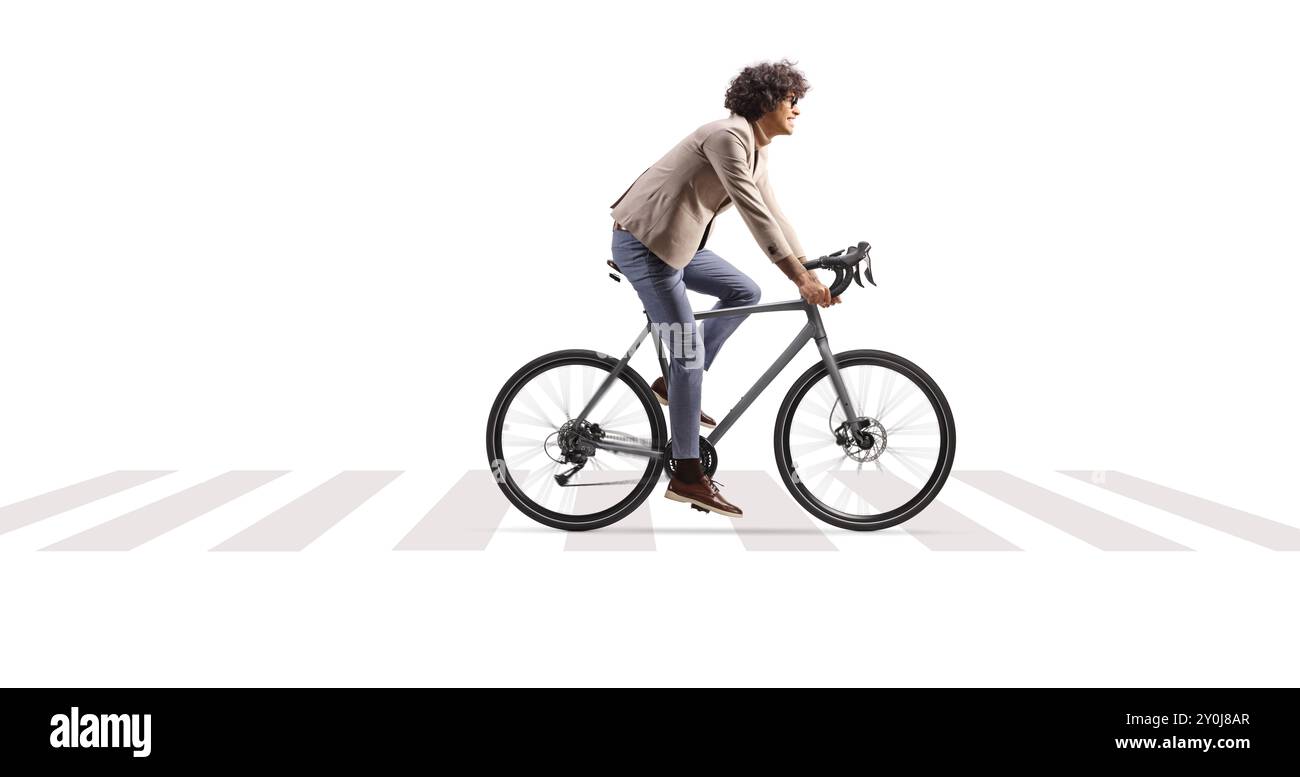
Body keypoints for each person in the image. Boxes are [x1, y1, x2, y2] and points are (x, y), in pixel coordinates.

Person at [609, 59, 839, 519]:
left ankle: (674, 387)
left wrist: (811, 266)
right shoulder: (726, 138)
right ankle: (688, 476)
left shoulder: (755, 147)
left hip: (677, 245)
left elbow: (774, 213)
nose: (797, 110)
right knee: (688, 354)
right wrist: (797, 277)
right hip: (646, 247)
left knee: (744, 292)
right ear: (769, 101)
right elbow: (754, 214)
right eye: (792, 100)